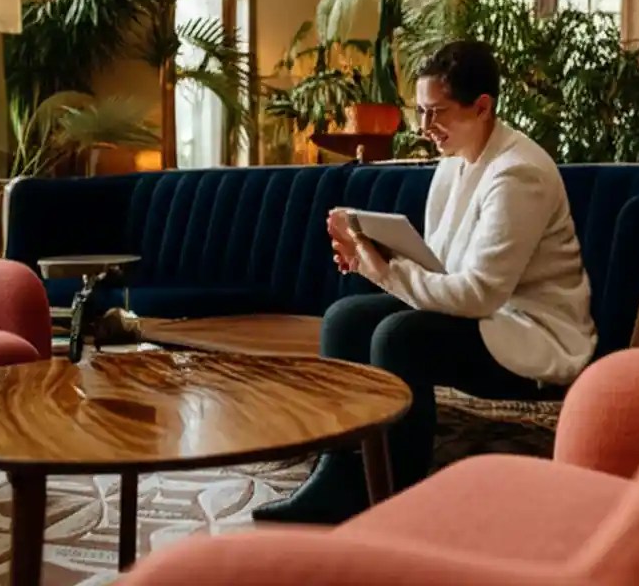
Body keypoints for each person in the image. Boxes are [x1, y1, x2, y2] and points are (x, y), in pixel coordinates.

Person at [254, 40, 598, 524]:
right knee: (346, 318)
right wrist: (374, 254)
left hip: (528, 329)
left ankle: (403, 497)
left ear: (483, 107)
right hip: (484, 313)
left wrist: (384, 271)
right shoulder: (455, 161)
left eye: (436, 113)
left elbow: (480, 293)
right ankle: (341, 475)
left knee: (400, 337)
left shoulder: (519, 173)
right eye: (419, 111)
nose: (423, 128)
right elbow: (443, 268)